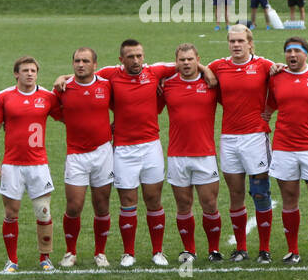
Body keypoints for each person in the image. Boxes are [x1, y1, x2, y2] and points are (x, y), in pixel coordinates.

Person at [91, 40, 185, 267]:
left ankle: (157, 251)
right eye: (130, 57)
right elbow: (84, 76)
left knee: (153, 199)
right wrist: (61, 79)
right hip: (123, 149)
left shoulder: (154, 72)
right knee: (128, 200)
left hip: (151, 146)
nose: (136, 60)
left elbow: (184, 64)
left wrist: (205, 72)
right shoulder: (110, 75)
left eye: (139, 56)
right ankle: (128, 253)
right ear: (121, 59)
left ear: (144, 56)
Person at [208, 26, 277, 263]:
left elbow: (282, 87)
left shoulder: (264, 65)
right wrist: (199, 68)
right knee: (235, 193)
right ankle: (241, 247)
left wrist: (268, 110)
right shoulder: (218, 67)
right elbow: (206, 83)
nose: (236, 45)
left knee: (260, 193)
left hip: (255, 138)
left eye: (240, 41)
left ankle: (265, 249)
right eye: (232, 41)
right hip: (229, 138)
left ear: (250, 43)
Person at [266, 35, 308, 264]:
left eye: (297, 51)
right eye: (288, 51)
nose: (292, 55)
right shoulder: (276, 77)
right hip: (284, 147)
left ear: (306, 54)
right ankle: (292, 250)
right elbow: (268, 107)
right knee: (289, 197)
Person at [0, 57, 61, 272]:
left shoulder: (48, 97)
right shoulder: (4, 97)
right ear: (16, 74)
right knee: (11, 212)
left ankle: (45, 257)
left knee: (43, 211)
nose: (30, 74)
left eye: (33, 70)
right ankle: (12, 260)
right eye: (25, 70)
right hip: (12, 165)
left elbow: (70, 116)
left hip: (39, 165)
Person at [160, 44, 223, 263]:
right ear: (175, 61)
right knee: (183, 205)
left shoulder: (212, 82)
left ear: (198, 59)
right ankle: (189, 250)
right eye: (182, 60)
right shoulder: (166, 85)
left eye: (190, 59)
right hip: (177, 155)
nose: (186, 63)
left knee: (210, 204)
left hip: (205, 154)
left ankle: (214, 250)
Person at [54, 48, 114, 268]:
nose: (81, 64)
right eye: (77, 61)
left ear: (95, 65)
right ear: (72, 64)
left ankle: (100, 253)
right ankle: (71, 252)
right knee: (74, 206)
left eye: (86, 61)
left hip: (103, 152)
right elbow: (53, 110)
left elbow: (123, 107)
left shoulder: (106, 85)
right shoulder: (63, 87)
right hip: (76, 154)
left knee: (101, 205)